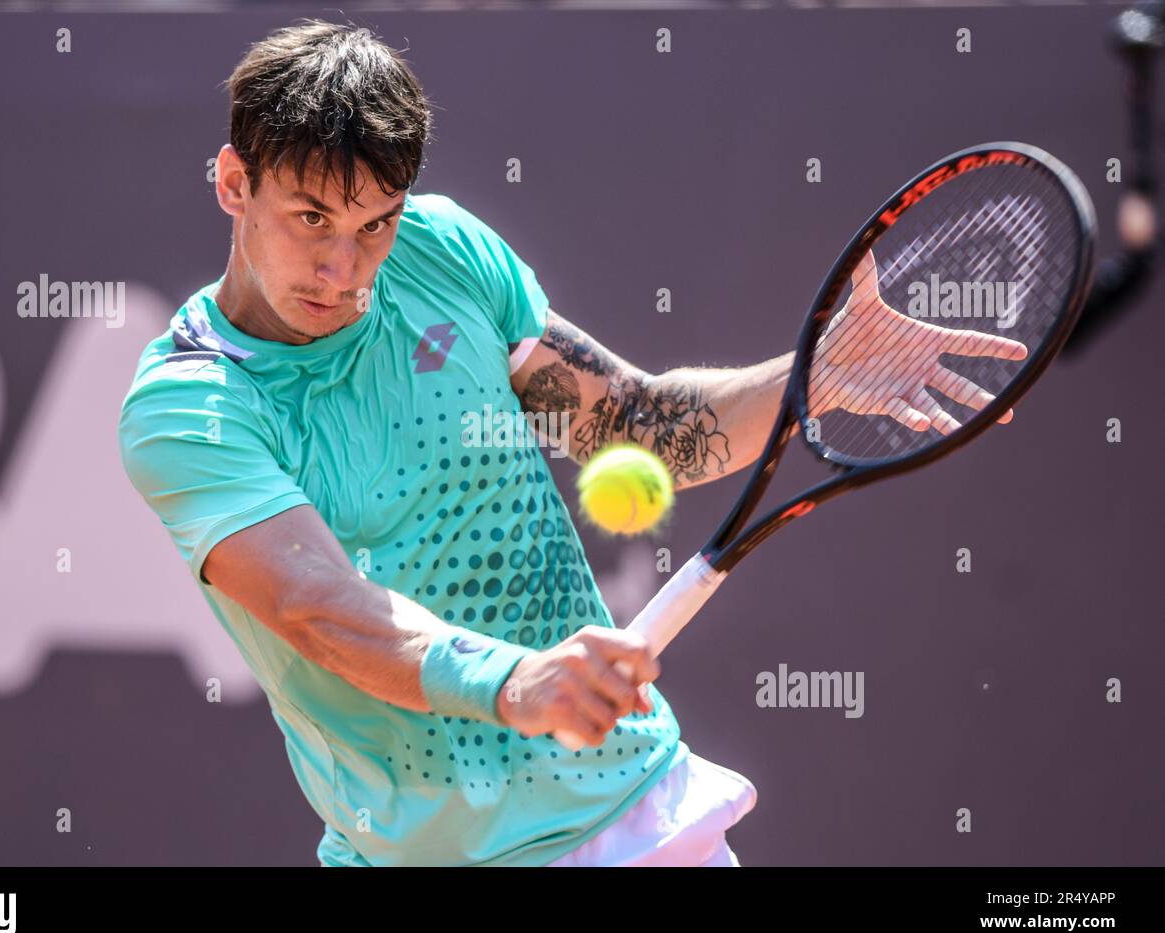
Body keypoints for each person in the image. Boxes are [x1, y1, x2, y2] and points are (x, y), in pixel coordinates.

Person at [118, 20, 1020, 866]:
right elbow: (320, 608)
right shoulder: (189, 407)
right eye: (311, 218)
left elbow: (637, 430)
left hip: (634, 817)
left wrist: (808, 376)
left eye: (374, 224)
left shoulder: (443, 253)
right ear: (235, 182)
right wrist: (518, 684)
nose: (344, 271)